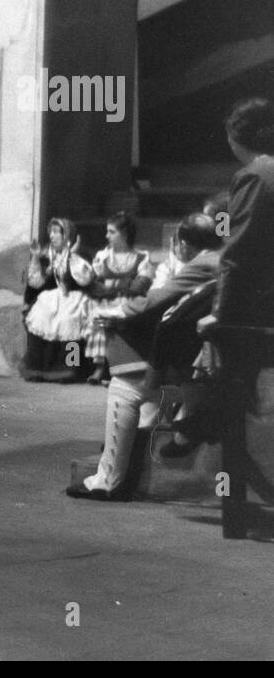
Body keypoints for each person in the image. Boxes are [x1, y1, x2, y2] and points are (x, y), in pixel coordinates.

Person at [66, 212, 222, 499]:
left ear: (184, 244)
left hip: (202, 360)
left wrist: (116, 312)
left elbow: (156, 298)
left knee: (126, 383)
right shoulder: (220, 259)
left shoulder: (203, 263)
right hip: (207, 353)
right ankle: (141, 446)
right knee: (142, 381)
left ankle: (108, 479)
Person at [187, 97, 274, 449]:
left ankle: (200, 422)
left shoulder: (255, 175)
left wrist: (218, 314)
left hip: (258, 307)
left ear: (236, 138)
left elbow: (238, 252)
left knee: (184, 330)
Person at [83, 211, 153, 385]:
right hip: (105, 302)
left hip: (126, 303)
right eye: (107, 231)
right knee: (99, 317)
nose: (107, 236)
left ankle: (119, 368)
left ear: (125, 234)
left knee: (122, 318)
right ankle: (100, 368)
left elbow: (139, 286)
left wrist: (112, 286)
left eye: (111, 232)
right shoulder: (103, 256)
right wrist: (122, 285)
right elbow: (95, 286)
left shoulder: (141, 257)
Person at [21, 217, 92, 382]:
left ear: (66, 235)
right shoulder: (48, 255)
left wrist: (73, 256)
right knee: (40, 317)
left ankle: (70, 368)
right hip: (52, 298)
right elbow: (36, 282)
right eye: (50, 232)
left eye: (56, 232)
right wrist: (36, 257)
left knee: (69, 321)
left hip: (75, 298)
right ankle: (39, 368)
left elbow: (85, 279)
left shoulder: (78, 254)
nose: (51, 236)